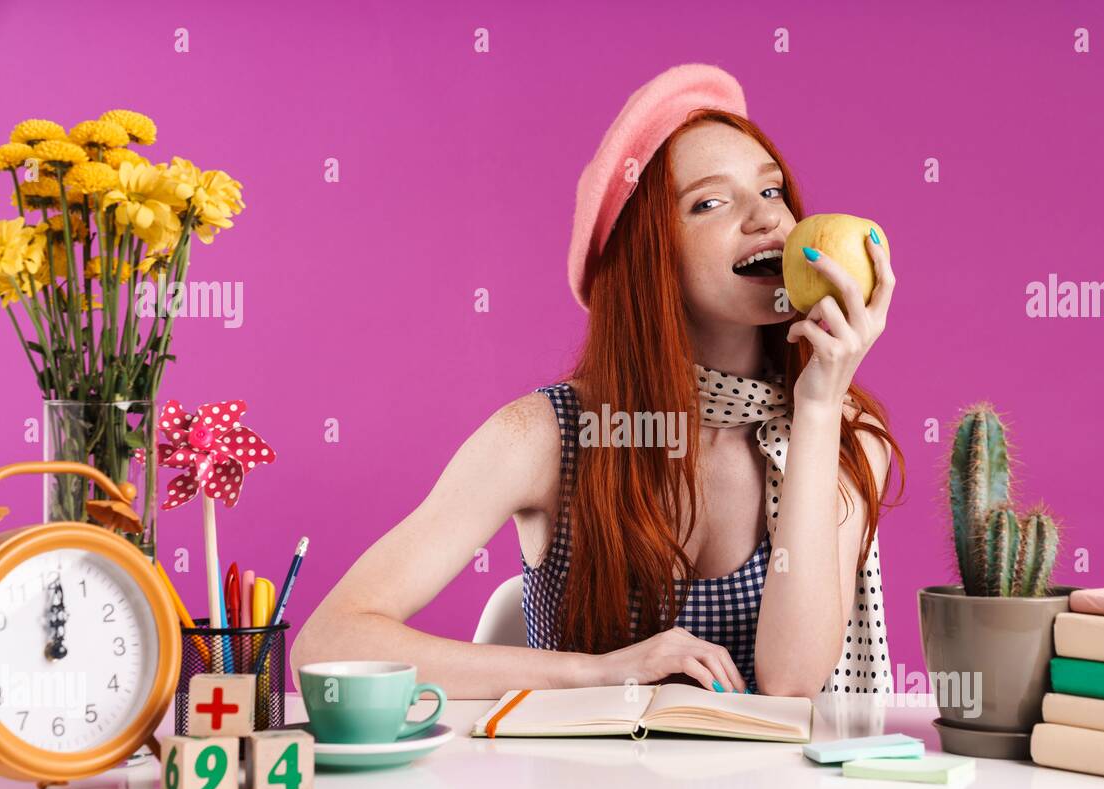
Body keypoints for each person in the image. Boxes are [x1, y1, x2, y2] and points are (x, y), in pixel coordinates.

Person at [290, 63, 905, 699]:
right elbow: (330, 641)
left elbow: (791, 681)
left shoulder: (846, 437)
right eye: (710, 203)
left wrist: (820, 408)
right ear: (648, 257)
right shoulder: (546, 436)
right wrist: (602, 672)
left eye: (772, 192)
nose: (765, 220)